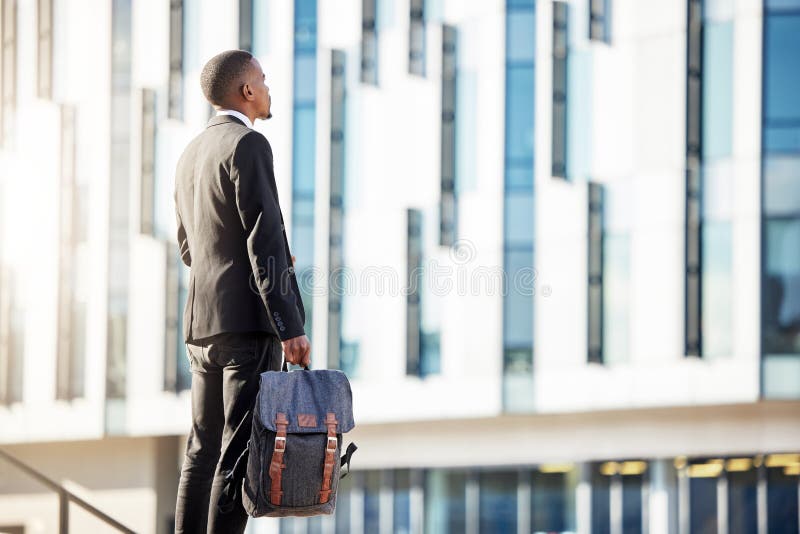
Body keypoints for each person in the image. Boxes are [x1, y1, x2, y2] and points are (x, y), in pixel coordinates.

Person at [173, 49, 311, 534]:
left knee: (201, 450)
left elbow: (190, 247)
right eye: (264, 81)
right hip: (248, 327)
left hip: (201, 326)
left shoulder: (190, 153)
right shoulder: (249, 144)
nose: (269, 89)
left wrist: (226, 264)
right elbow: (264, 237)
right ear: (246, 91)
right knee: (239, 452)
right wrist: (290, 325)